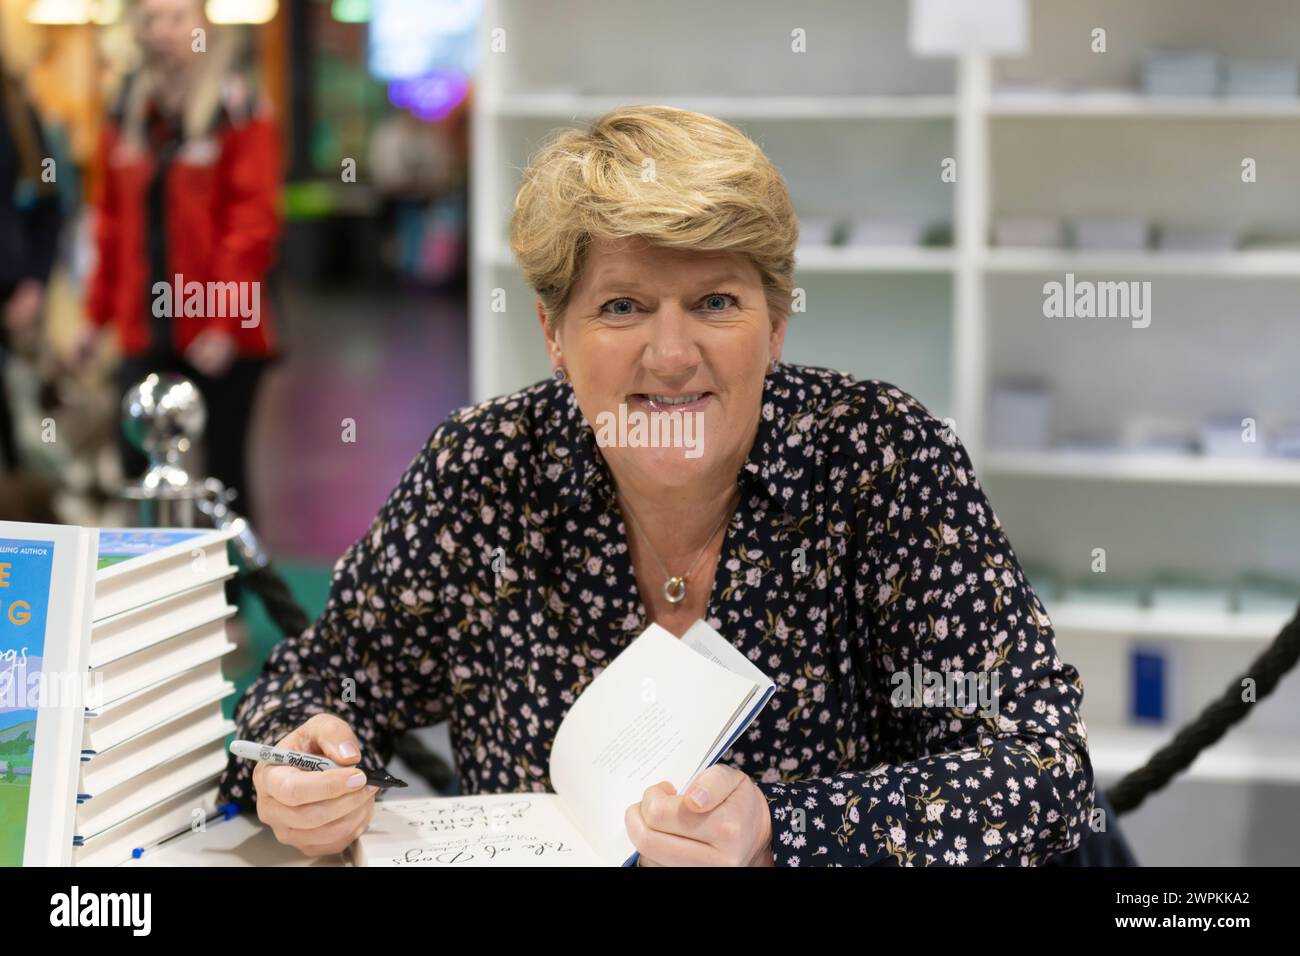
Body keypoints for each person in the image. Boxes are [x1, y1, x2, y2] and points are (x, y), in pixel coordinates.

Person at [219, 105, 1095, 866]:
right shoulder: (486, 471)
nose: (672, 357)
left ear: (776, 323)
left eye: (716, 302)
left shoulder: (879, 462)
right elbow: (318, 679)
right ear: (553, 333)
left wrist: (785, 833)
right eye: (622, 306)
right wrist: (301, 763)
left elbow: (1042, 764)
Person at [80, 0, 280, 524]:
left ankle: (229, 602)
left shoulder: (239, 105)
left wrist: (223, 321)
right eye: (151, 19)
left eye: (176, 17)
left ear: (201, 26)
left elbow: (252, 225)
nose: (163, 30)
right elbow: (111, 223)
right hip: (144, 328)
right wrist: (93, 315)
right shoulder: (125, 109)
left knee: (222, 477)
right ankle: (151, 596)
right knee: (135, 464)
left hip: (222, 331)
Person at [0, 61, 62, 473]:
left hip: (11, 292)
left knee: (24, 429)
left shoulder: (17, 110)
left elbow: (49, 202)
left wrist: (35, 281)